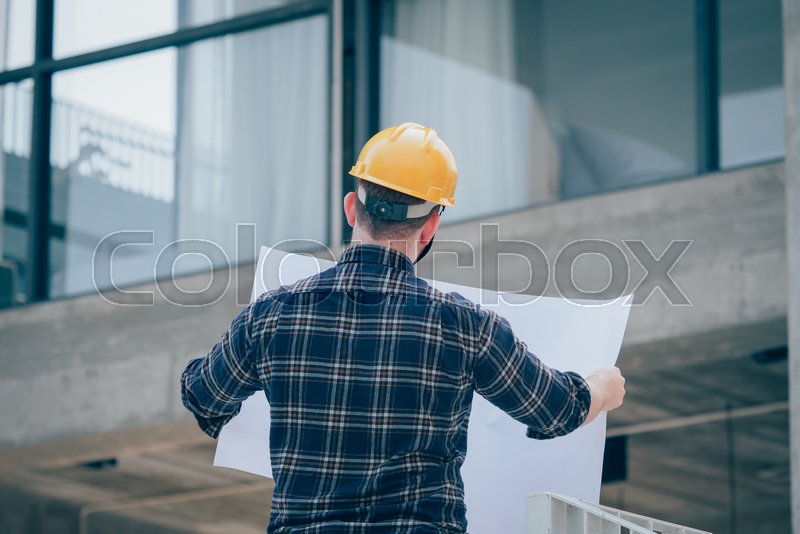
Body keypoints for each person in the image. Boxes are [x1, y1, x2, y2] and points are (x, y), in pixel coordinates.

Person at [180, 122, 625, 533]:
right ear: (431, 225)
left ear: (352, 207)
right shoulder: (463, 326)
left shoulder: (272, 315)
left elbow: (201, 395)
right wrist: (602, 387)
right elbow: (555, 410)